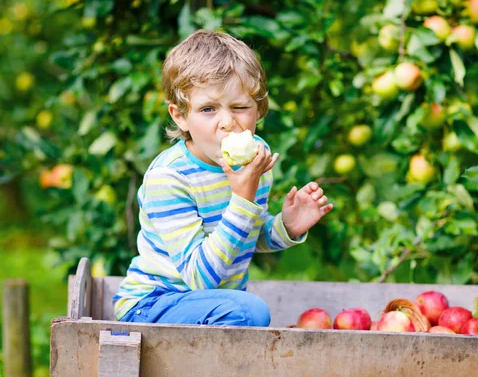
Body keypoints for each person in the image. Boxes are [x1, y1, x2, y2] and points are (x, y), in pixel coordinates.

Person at [112, 29, 334, 327]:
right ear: (180, 116)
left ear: (258, 110)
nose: (227, 123)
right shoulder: (170, 178)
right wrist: (242, 199)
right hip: (153, 304)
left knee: (242, 310)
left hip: (212, 306)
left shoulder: (257, 158)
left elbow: (242, 238)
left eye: (240, 107)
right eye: (208, 109)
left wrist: (286, 227)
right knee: (248, 312)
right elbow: (200, 277)